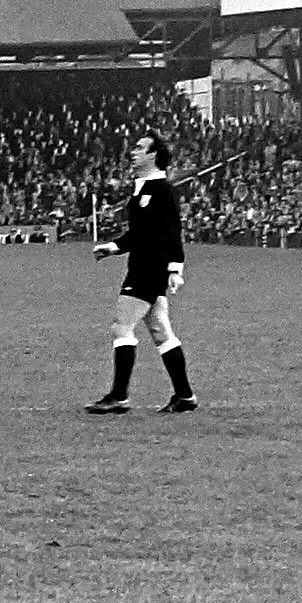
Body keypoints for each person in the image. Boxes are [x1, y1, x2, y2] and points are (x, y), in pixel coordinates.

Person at [87, 133, 197, 415]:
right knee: (161, 331)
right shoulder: (142, 188)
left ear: (153, 155)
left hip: (149, 268)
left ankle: (119, 396)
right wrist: (113, 247)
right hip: (145, 265)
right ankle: (184, 396)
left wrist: (175, 268)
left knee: (121, 326)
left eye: (139, 148)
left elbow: (173, 231)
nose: (133, 152)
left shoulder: (161, 190)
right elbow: (139, 234)